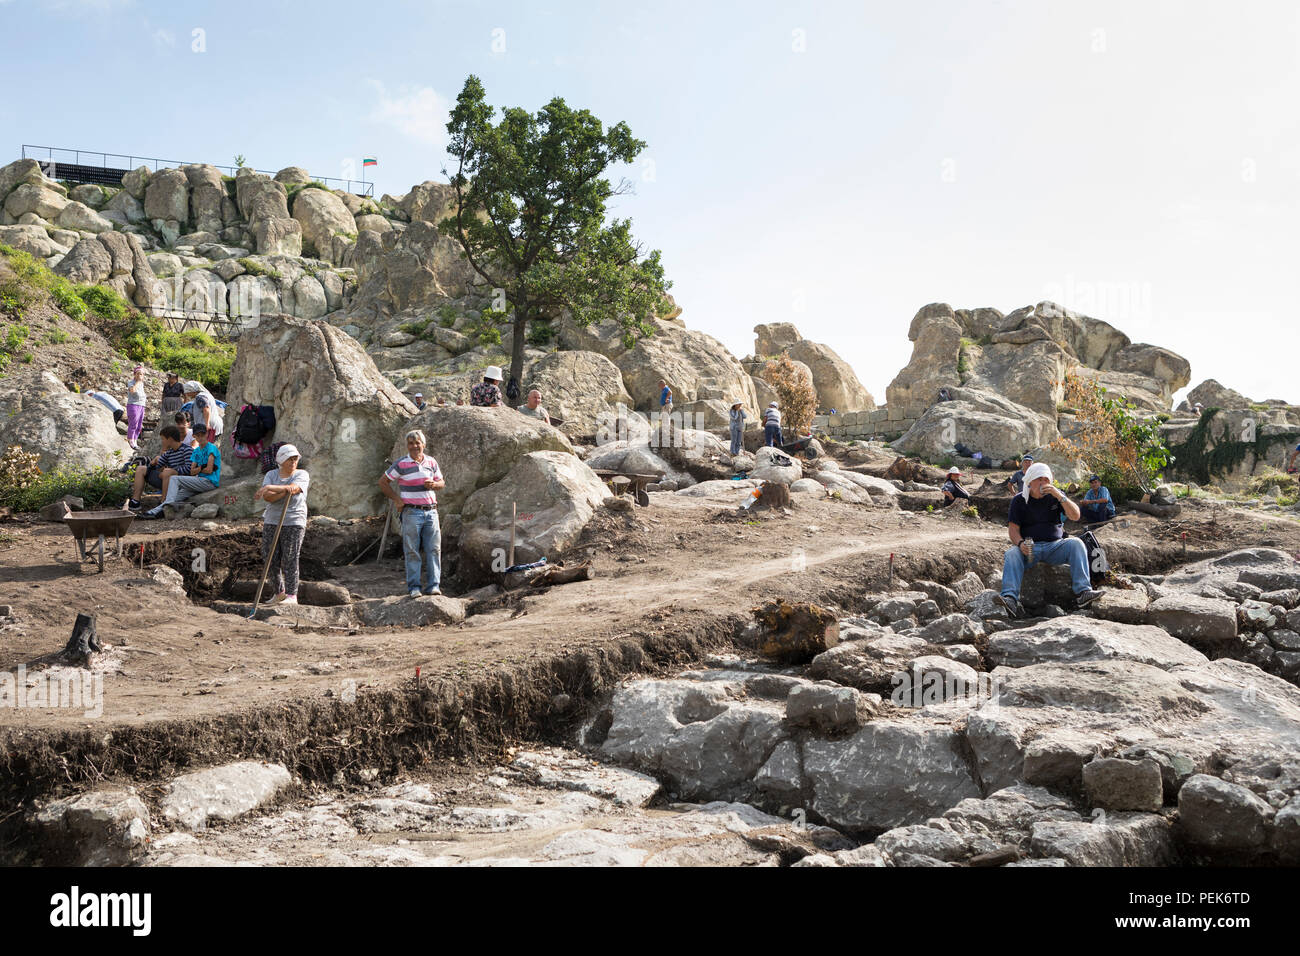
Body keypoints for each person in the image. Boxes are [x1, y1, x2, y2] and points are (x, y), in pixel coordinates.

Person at [994, 463, 1100, 618]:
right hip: (1031, 548)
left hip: (1055, 546)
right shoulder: (1019, 500)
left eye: (1046, 479)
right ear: (1030, 481)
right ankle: (1010, 599)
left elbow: (1075, 516)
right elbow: (1013, 530)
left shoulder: (1057, 496)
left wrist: (1060, 496)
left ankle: (1084, 592)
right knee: (1012, 553)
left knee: (1076, 543)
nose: (1043, 483)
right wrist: (1020, 543)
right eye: (1039, 479)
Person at [380, 429, 446, 597]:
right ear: (407, 446)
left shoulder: (431, 462)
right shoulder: (401, 464)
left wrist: (434, 485)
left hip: (431, 512)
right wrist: (397, 499)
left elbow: (441, 482)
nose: (414, 446)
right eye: (411, 443)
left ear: (423, 445)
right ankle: (414, 587)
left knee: (434, 549)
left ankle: (433, 586)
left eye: (417, 443)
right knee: (411, 551)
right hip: (411, 512)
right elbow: (383, 482)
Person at [253, 444, 309, 606]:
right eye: (289, 459)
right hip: (272, 519)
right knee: (269, 556)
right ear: (281, 460)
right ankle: (279, 593)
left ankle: (292, 595)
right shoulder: (271, 474)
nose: (293, 462)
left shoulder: (302, 474)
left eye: (295, 459)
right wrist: (285, 491)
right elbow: (268, 498)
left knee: (290, 556)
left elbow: (296, 489)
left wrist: (272, 488)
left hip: (293, 520)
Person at [139, 422, 221, 518]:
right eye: (198, 435)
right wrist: (202, 467)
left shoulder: (211, 448)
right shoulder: (196, 451)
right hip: (200, 482)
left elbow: (209, 470)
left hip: (210, 482)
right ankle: (153, 513)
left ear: (207, 434)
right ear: (194, 436)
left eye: (202, 434)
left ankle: (163, 507)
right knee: (176, 496)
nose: (201, 437)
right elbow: (192, 471)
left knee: (174, 479)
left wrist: (199, 469)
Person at [125, 425, 191, 510]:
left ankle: (163, 502)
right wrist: (153, 463)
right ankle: (135, 502)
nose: (162, 442)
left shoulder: (187, 450)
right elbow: (157, 467)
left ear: (170, 439)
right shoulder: (169, 452)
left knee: (167, 471)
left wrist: (173, 471)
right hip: (166, 480)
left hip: (180, 483)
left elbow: (189, 469)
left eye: (163, 439)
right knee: (141, 469)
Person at [125, 365, 147, 449]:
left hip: (141, 405)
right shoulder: (131, 382)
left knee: (139, 425)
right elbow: (132, 391)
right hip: (133, 405)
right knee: (133, 423)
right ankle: (130, 439)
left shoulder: (142, 384)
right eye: (138, 374)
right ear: (134, 374)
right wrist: (137, 382)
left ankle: (135, 440)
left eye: (141, 374)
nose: (139, 376)